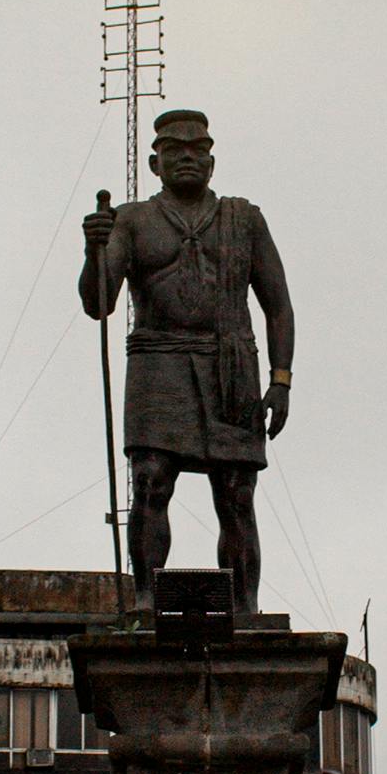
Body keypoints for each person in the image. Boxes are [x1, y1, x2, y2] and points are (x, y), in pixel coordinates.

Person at [79, 108, 293, 617]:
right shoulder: (131, 220)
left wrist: (280, 379)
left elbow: (278, 303)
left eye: (198, 151)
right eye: (176, 152)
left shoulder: (244, 219)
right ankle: (147, 596)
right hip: (158, 361)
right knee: (151, 479)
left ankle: (245, 606)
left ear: (213, 163)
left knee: (237, 493)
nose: (188, 160)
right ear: (156, 163)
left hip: (230, 364)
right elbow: (99, 302)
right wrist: (93, 250)